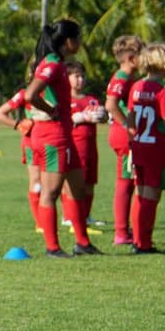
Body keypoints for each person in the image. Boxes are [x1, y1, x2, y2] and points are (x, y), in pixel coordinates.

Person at [22, 20, 95, 256]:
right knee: (50, 193)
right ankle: (52, 247)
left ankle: (82, 243)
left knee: (77, 189)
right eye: (79, 37)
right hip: (52, 136)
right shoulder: (52, 64)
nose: (81, 42)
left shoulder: (60, 64)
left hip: (65, 134)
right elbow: (31, 94)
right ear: (68, 41)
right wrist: (50, 109)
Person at [105, 35, 144, 250]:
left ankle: (123, 230)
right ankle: (121, 232)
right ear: (131, 58)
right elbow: (111, 104)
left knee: (127, 182)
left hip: (120, 134)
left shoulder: (124, 76)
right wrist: (127, 127)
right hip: (123, 136)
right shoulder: (123, 78)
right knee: (127, 183)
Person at [126, 43, 165, 254]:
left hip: (139, 145)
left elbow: (130, 120)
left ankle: (137, 240)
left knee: (139, 193)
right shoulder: (161, 90)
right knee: (151, 195)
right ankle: (144, 243)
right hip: (156, 148)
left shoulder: (137, 87)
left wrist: (132, 144)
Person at [0, 84, 40, 233]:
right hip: (32, 142)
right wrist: (18, 125)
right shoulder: (25, 94)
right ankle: (41, 223)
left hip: (55, 140)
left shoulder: (59, 92)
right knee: (37, 182)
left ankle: (71, 219)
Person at [63, 62, 106, 231]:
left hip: (90, 147)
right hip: (74, 146)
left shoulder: (91, 99)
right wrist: (79, 117)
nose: (80, 80)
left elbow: (101, 117)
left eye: (82, 76)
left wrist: (102, 116)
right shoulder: (66, 99)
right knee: (73, 183)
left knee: (90, 182)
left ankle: (85, 216)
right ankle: (69, 216)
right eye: (76, 76)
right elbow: (62, 120)